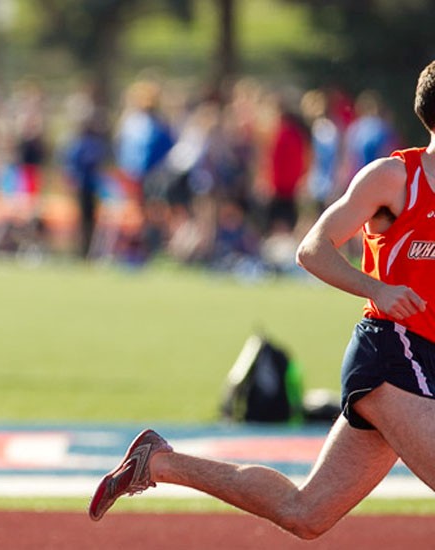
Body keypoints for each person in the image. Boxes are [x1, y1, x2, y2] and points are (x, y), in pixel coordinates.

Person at [89, 60, 435, 541]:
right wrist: (376, 287)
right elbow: (311, 249)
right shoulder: (395, 177)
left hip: (427, 359)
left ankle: (158, 463)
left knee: (306, 513)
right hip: (392, 352)